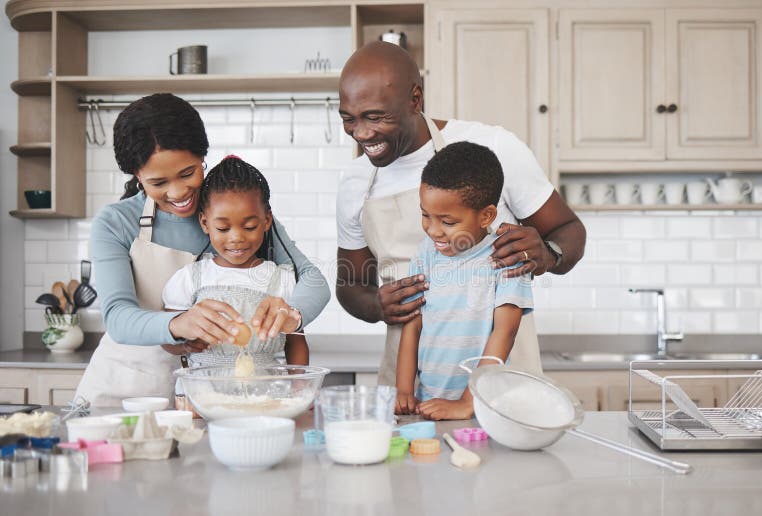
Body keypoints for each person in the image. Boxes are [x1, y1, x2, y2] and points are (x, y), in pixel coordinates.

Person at [336, 42, 586, 386]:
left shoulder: (492, 148)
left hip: (501, 378)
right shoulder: (355, 181)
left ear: (415, 99)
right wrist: (375, 306)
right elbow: (351, 284)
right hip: (411, 384)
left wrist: (550, 253)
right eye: (349, 119)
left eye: (376, 117)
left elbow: (569, 229)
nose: (361, 133)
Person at [75, 93, 329, 407]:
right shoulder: (116, 223)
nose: (179, 192)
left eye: (187, 173)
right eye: (158, 182)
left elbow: (314, 280)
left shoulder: (231, 213)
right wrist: (178, 323)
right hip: (123, 392)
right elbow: (118, 317)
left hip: (205, 399)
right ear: (137, 177)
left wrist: (293, 314)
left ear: (202, 157)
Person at [395, 142, 534, 420]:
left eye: (447, 221)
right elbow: (413, 324)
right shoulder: (426, 253)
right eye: (425, 215)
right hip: (427, 405)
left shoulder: (507, 256)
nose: (433, 230)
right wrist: (404, 390)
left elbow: (504, 332)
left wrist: (468, 403)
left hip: (484, 407)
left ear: (486, 216)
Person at [162, 155, 309, 371]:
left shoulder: (282, 280)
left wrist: (300, 391)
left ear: (266, 221)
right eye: (223, 229)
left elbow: (297, 344)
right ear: (205, 223)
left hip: (265, 395)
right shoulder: (191, 277)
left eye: (249, 227)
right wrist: (184, 344)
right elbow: (166, 338)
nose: (236, 238)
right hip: (203, 394)